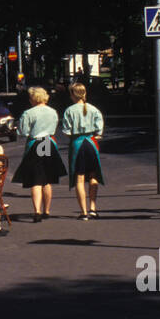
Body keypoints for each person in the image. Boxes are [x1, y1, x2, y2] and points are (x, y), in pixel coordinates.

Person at [12, 87, 66, 221]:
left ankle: (37, 210)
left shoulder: (28, 113)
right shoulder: (53, 112)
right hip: (47, 141)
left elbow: (23, 132)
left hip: (35, 143)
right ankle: (46, 210)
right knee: (46, 179)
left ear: (33, 99)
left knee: (36, 178)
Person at [61, 83, 104, 220]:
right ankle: (93, 208)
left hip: (77, 143)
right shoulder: (93, 109)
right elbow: (99, 129)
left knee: (79, 178)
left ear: (73, 94)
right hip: (91, 142)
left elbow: (67, 131)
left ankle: (83, 212)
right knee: (93, 175)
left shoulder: (69, 110)